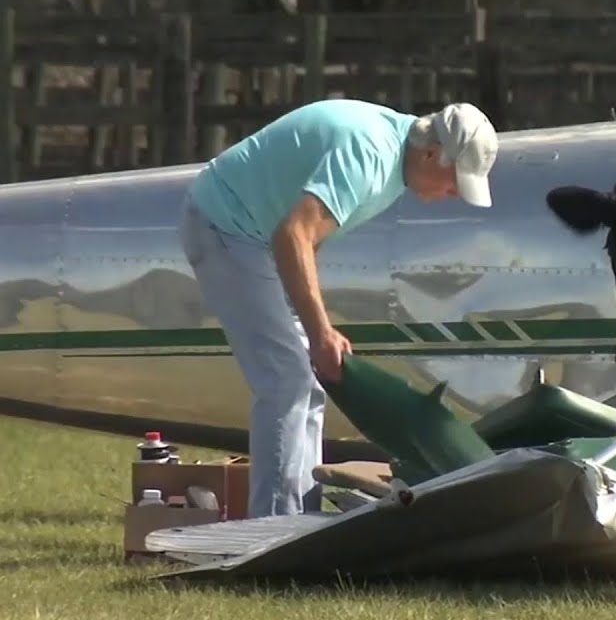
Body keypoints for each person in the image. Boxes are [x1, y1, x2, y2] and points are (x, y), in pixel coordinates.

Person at [176, 99, 499, 518]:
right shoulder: (371, 156)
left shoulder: (397, 163)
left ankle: (300, 519)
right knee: (285, 380)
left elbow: (308, 239)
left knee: (304, 378)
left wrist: (316, 328)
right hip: (225, 225)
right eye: (455, 179)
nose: (454, 192)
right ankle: (275, 530)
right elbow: (294, 234)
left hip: (255, 237)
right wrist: (319, 331)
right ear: (431, 153)